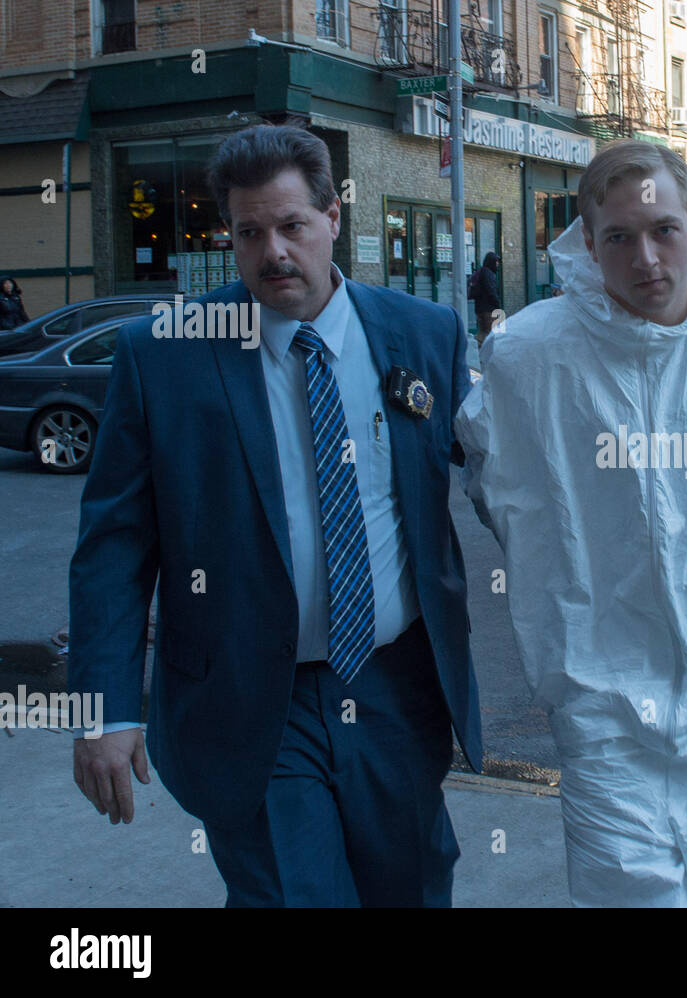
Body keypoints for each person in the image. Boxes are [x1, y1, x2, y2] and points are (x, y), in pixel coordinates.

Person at [67, 124, 482, 907]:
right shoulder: (166, 353)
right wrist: (106, 709)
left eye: (291, 226)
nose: (273, 253)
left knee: (414, 890)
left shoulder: (424, 335)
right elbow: (113, 550)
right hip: (253, 698)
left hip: (395, 687)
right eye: (249, 232)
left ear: (333, 217)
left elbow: (513, 478)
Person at [455, 138, 687, 907]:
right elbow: (504, 495)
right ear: (588, 243)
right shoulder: (530, 357)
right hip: (604, 697)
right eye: (619, 237)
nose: (646, 258)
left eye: (661, 230)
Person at [468, 250, 501, 346]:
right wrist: (498, 304)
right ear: (491, 262)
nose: (498, 264)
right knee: (491, 333)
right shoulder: (488, 274)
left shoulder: (482, 272)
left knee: (483, 332)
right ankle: (481, 352)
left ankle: (479, 352)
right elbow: (491, 291)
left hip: (480, 308)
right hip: (489, 309)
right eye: (496, 262)